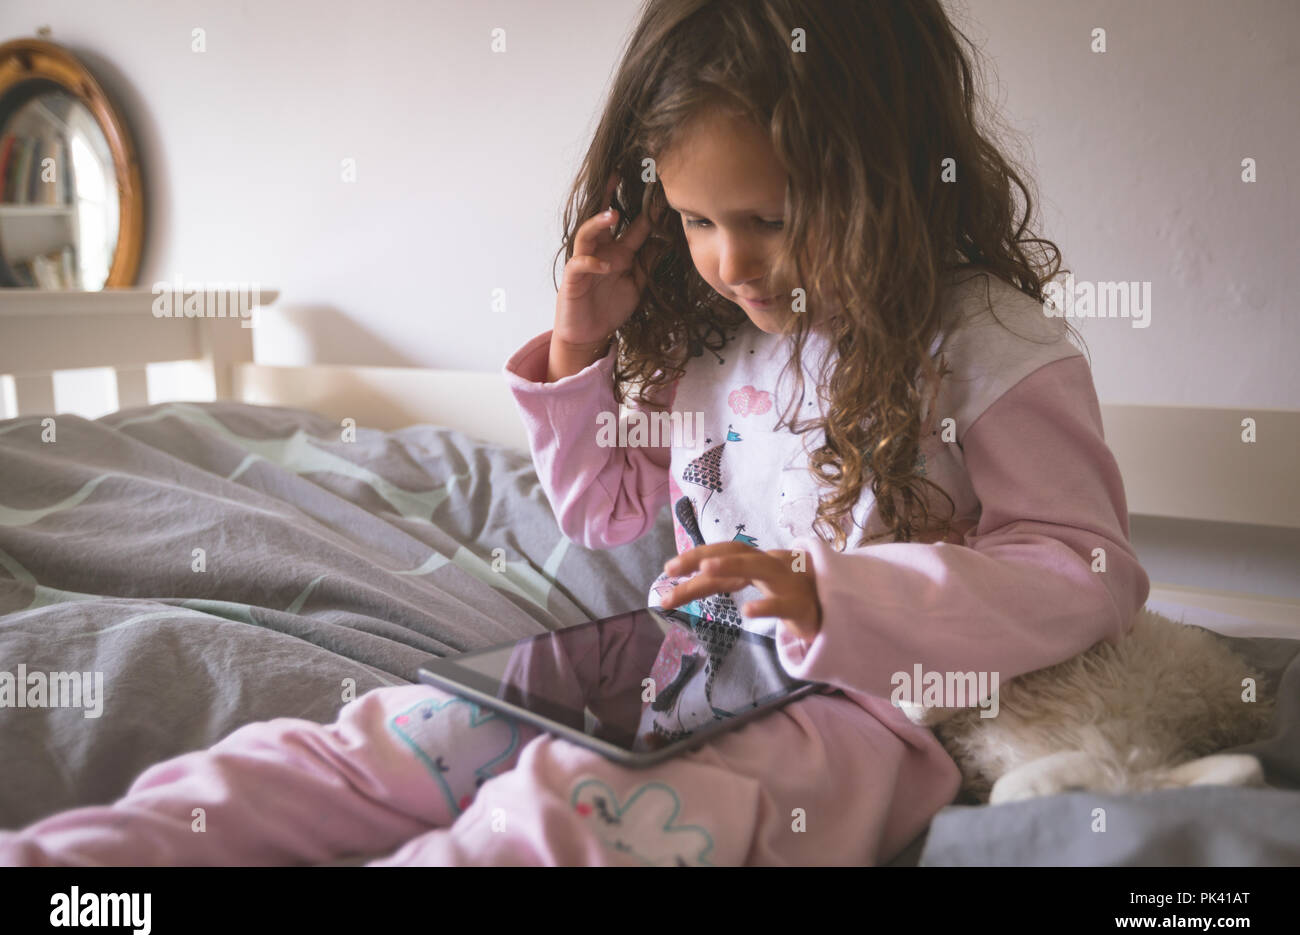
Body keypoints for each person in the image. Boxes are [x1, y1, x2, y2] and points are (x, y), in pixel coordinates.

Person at [0, 0, 1148, 866]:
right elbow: (605, 511)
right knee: (384, 737)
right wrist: (581, 350)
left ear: (890, 178)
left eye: (771, 220)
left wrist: (830, 595)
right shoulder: (714, 340)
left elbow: (1081, 565)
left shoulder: (989, 341)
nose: (729, 260)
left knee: (563, 809)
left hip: (863, 714)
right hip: (675, 664)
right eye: (696, 220)